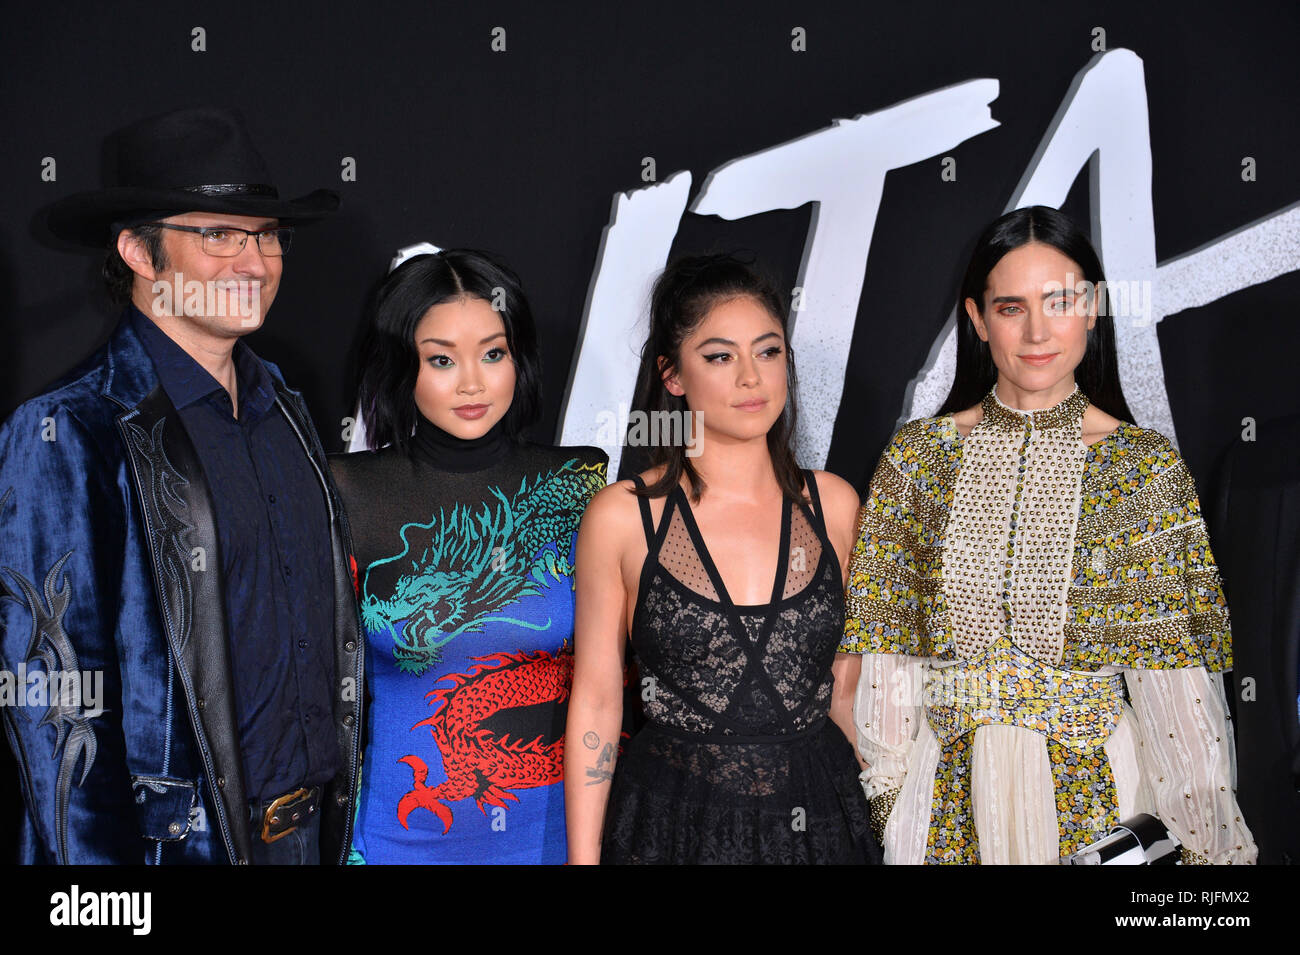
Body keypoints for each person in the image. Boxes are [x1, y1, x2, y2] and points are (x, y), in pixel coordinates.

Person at [0, 107, 362, 864]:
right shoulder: (71, 429)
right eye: (217, 234)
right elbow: (56, 707)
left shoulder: (285, 411)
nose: (253, 260)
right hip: (169, 853)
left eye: (265, 235)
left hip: (311, 838)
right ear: (137, 249)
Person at [841, 205, 1257, 864]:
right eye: (1010, 308)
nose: (1037, 331)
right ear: (977, 319)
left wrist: (1206, 853)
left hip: (1101, 815)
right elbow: (889, 673)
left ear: (1092, 308)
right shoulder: (917, 459)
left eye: (1059, 302)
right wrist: (891, 814)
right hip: (942, 811)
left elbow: (1176, 693)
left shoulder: (1139, 466)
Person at [565, 253, 880, 864]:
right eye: (719, 356)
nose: (750, 377)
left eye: (768, 352)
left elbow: (848, 686)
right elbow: (598, 699)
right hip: (673, 825)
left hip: (820, 821)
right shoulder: (623, 516)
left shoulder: (835, 504)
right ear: (673, 375)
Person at [329, 249, 607, 864]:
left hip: (557, 837)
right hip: (396, 838)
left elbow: (615, 682)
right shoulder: (346, 492)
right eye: (441, 360)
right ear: (404, 368)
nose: (473, 383)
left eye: (493, 353)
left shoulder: (582, 482)